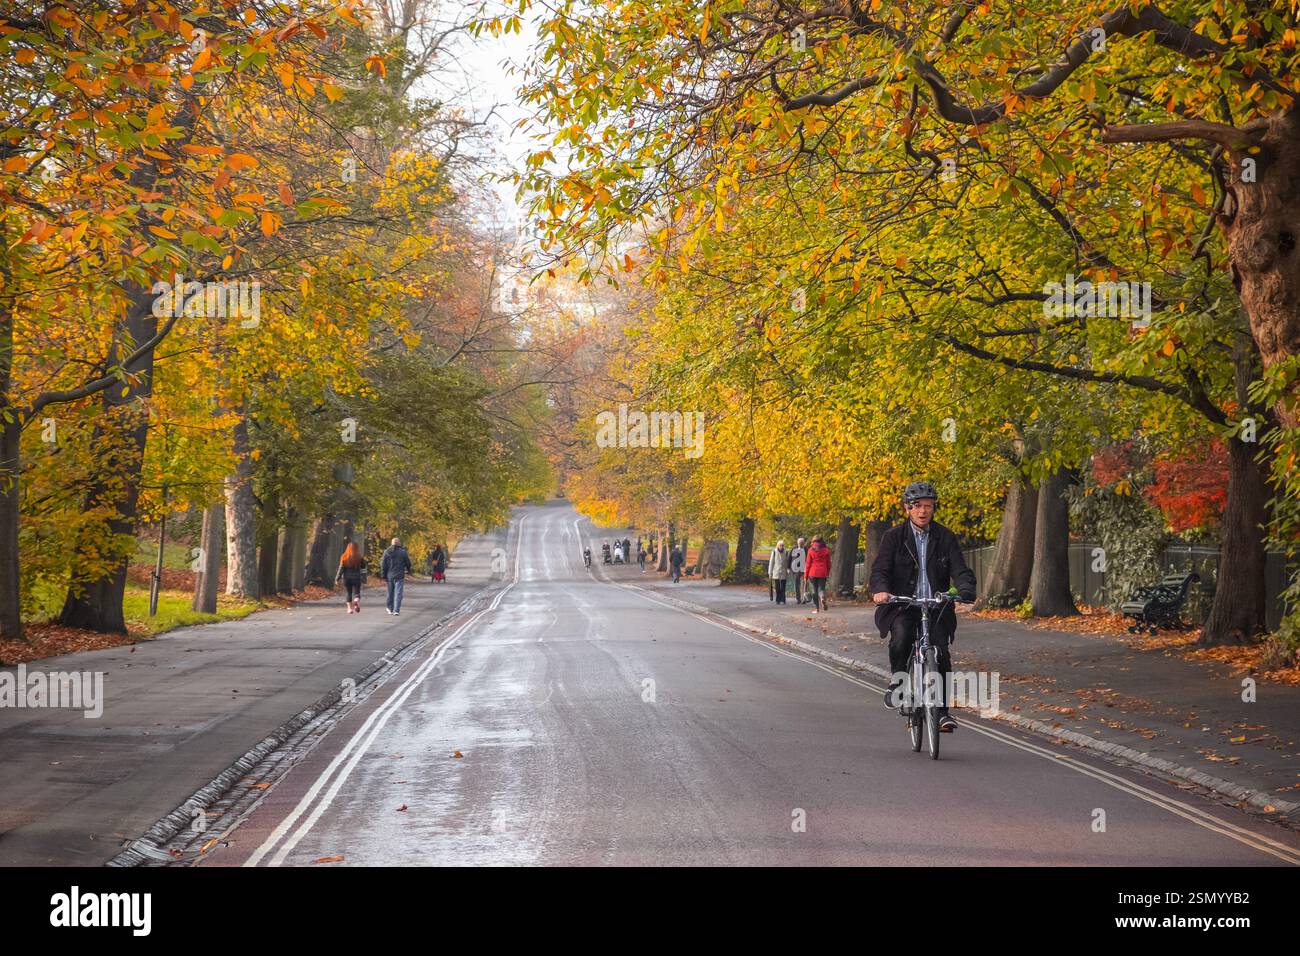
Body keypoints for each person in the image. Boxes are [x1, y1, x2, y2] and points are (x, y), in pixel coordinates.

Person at [870, 481, 976, 732]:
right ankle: (899, 683)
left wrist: (966, 589)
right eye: (918, 506)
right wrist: (880, 591)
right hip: (903, 605)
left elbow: (960, 570)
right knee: (902, 636)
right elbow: (880, 570)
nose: (923, 511)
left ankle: (941, 714)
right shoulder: (893, 537)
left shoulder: (945, 537)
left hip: (935, 607)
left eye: (928, 506)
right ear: (908, 508)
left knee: (941, 654)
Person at [380, 536, 413, 616]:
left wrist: (383, 575)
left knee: (390, 592)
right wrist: (409, 570)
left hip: (389, 575)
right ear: (399, 543)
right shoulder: (403, 552)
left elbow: (383, 564)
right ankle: (396, 610)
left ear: (391, 543)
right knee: (398, 593)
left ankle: (390, 608)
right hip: (399, 575)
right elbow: (408, 563)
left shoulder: (387, 552)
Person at [335, 541, 365, 614]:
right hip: (357, 578)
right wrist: (364, 578)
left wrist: (337, 578)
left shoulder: (344, 557)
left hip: (347, 578)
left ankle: (349, 609)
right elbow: (363, 569)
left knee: (349, 593)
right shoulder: (360, 557)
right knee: (357, 592)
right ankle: (356, 601)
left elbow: (341, 568)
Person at [805, 534, 831, 613]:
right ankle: (822, 596)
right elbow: (828, 563)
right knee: (821, 589)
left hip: (812, 572)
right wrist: (827, 572)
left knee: (814, 590)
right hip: (822, 572)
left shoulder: (810, 550)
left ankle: (816, 608)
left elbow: (808, 564)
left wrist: (805, 576)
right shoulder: (826, 550)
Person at [768, 540, 790, 604]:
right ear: (777, 546)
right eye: (780, 545)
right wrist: (770, 573)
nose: (781, 546)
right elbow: (771, 563)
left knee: (783, 586)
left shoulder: (786, 552)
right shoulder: (774, 552)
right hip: (776, 571)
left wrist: (788, 569)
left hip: (784, 571)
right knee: (777, 587)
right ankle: (778, 600)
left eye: (782, 545)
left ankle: (783, 599)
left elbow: (787, 562)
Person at [789, 537, 807, 604]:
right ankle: (798, 598)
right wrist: (788, 568)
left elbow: (808, 558)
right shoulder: (793, 548)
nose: (801, 544)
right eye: (800, 543)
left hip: (803, 569)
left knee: (803, 584)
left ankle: (803, 598)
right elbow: (789, 558)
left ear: (803, 543)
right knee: (797, 584)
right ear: (797, 543)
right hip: (795, 569)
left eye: (802, 543)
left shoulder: (805, 549)